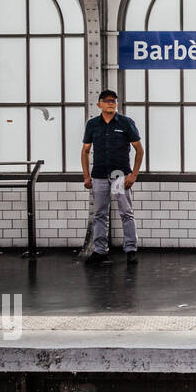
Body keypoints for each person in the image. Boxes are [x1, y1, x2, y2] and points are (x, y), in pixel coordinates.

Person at [80, 89, 143, 264]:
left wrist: (133, 175)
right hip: (99, 175)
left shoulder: (125, 123)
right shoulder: (92, 124)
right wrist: (86, 176)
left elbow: (139, 150)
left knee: (126, 212)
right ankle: (100, 251)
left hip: (119, 175)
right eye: (107, 101)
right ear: (99, 104)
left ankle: (131, 249)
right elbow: (85, 151)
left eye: (114, 101)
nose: (111, 103)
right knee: (100, 213)